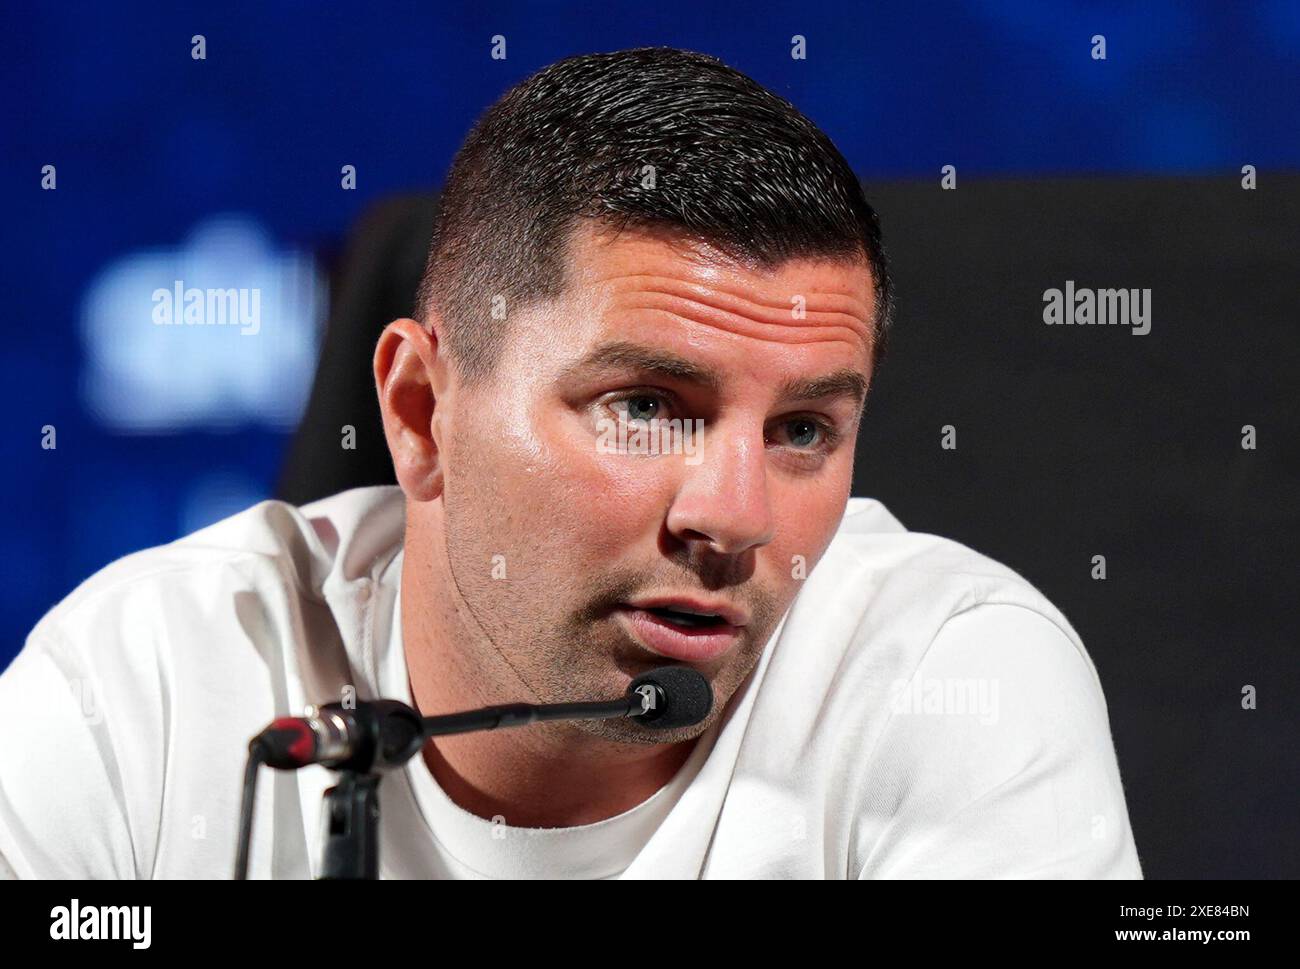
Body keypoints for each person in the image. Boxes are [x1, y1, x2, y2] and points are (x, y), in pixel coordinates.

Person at [0, 47, 1141, 879]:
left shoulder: (948, 677)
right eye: (646, 406)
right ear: (418, 411)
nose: (735, 518)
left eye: (802, 431)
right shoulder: (142, 683)